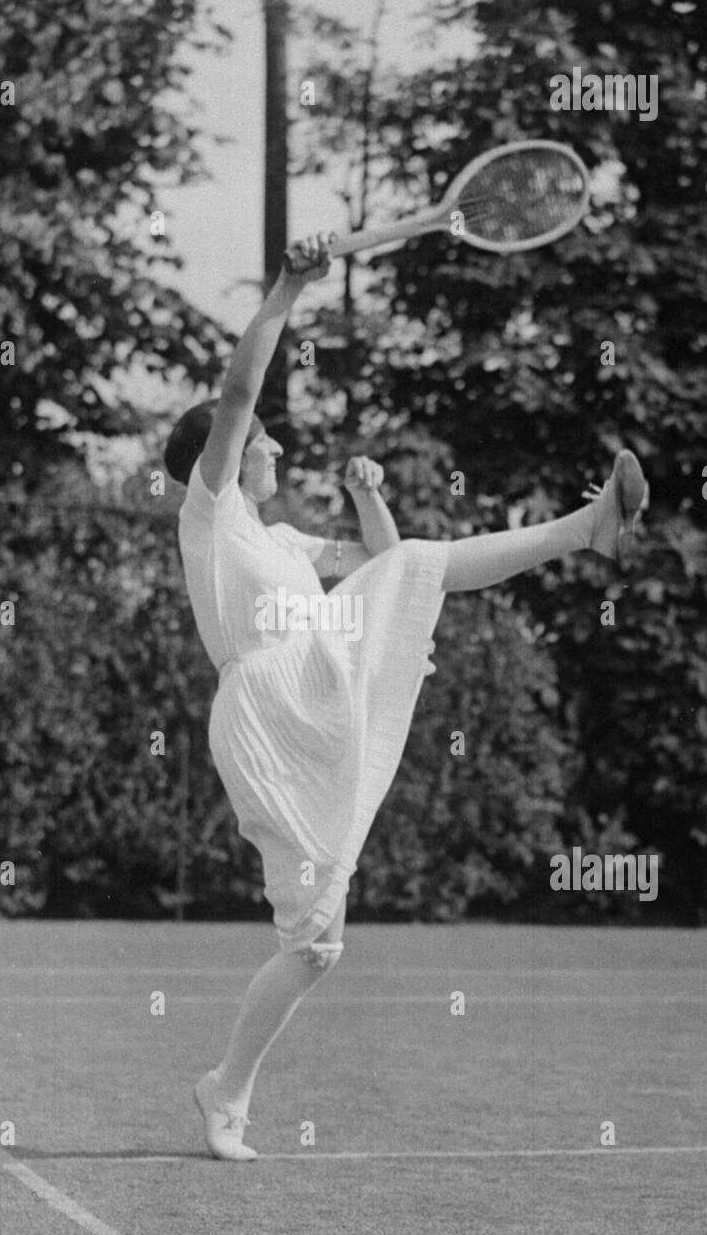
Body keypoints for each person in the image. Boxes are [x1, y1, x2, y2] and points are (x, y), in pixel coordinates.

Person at [165, 232, 648, 1161]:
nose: (271, 444)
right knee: (310, 937)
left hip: (319, 693)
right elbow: (235, 395)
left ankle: (223, 1092)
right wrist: (287, 289)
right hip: (270, 714)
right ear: (220, 459)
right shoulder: (210, 510)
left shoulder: (287, 542)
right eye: (263, 440)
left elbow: (392, 569)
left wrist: (365, 498)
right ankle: (586, 530)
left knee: (318, 946)